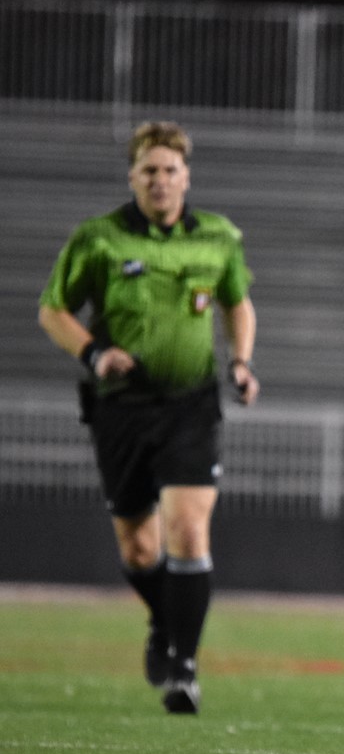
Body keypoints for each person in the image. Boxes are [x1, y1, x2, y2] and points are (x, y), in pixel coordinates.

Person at [37, 120, 258, 716]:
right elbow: (54, 310)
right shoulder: (100, 238)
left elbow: (238, 303)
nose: (160, 181)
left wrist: (241, 362)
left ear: (187, 176)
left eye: (169, 170)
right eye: (149, 171)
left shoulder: (217, 237)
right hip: (122, 410)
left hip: (190, 405)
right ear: (132, 177)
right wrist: (94, 352)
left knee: (188, 530)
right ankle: (164, 620)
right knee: (139, 550)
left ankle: (182, 667)